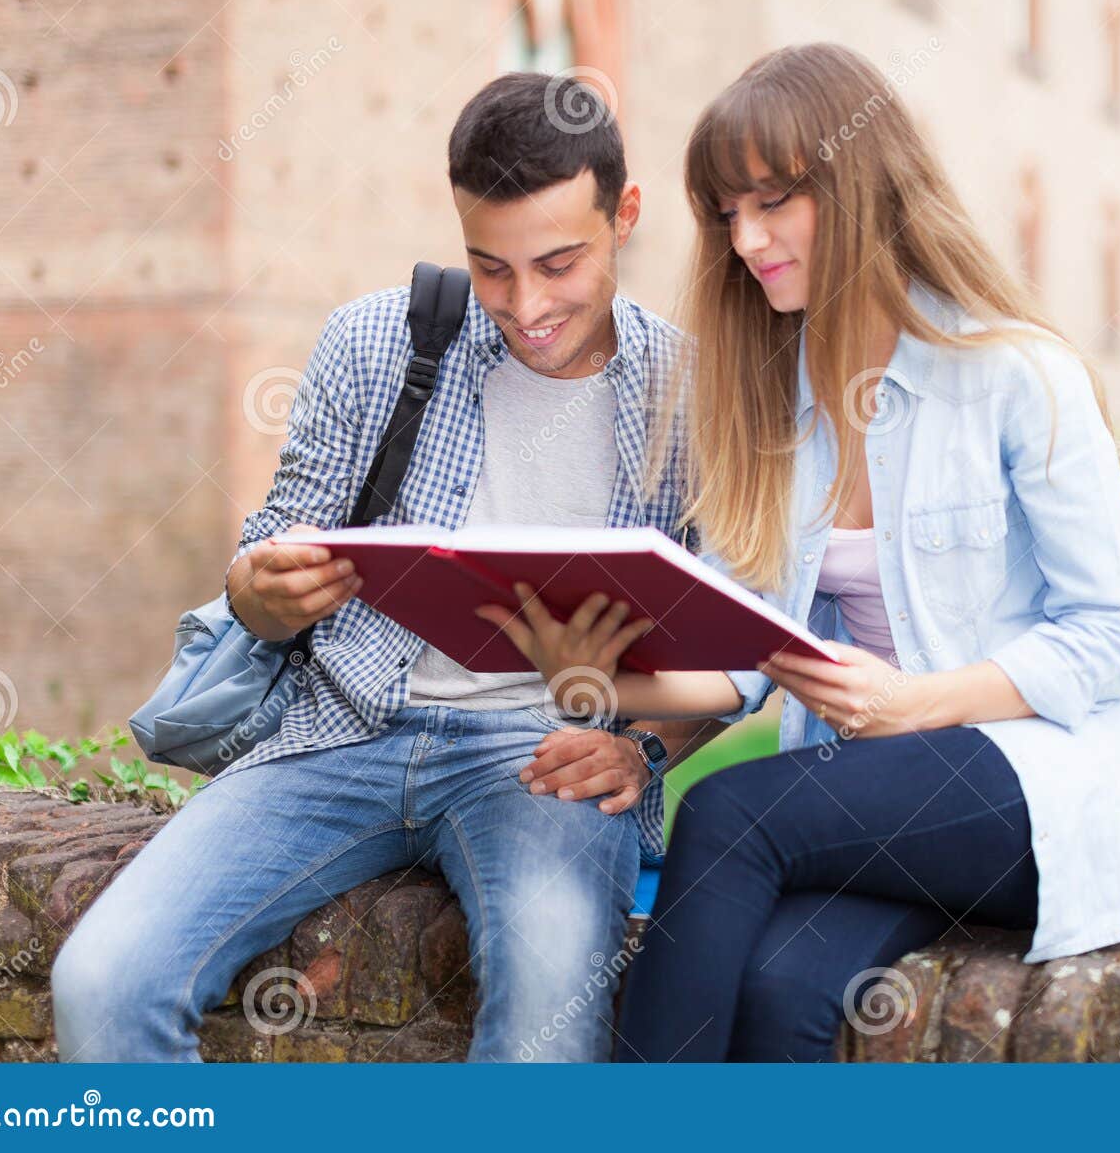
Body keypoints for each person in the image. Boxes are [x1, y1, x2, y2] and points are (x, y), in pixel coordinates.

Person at [477, 43, 1120, 1062]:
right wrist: (604, 678)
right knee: (784, 991)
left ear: (859, 184)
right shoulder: (785, 404)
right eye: (728, 212)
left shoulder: (1014, 374)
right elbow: (748, 649)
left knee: (728, 812)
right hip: (872, 804)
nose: (748, 237)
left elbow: (1115, 634)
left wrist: (916, 703)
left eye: (773, 200)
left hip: (1038, 784)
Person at [51, 72, 719, 1063]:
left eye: (558, 263)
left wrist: (648, 745)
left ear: (624, 215)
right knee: (101, 982)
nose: (526, 305)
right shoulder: (378, 339)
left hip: (546, 759)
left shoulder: (693, 392)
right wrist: (259, 592)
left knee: (545, 1026)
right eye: (490, 267)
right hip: (340, 732)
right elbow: (267, 552)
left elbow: (738, 641)